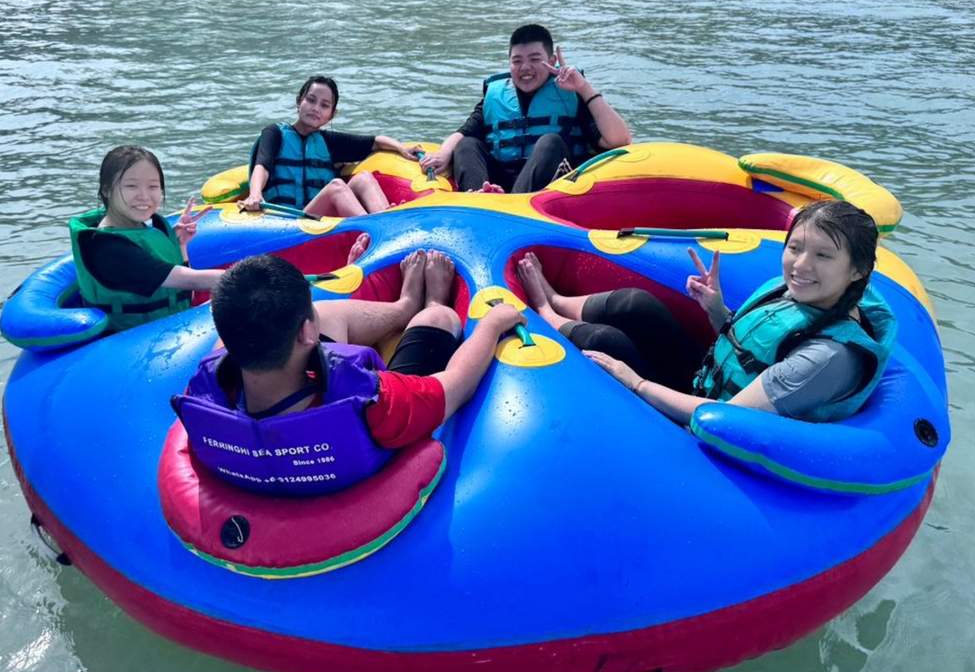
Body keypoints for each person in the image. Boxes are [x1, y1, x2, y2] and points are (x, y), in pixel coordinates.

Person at [517, 200, 896, 424]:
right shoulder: (806, 292)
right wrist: (716, 309)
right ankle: (556, 301)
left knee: (606, 343)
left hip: (708, 425)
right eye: (795, 248)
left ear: (858, 270)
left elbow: (728, 419)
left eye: (823, 255)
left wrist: (635, 383)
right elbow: (751, 349)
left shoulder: (827, 358)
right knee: (637, 304)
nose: (800, 265)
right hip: (704, 381)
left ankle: (547, 315)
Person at [176, 251, 525, 487]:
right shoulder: (371, 403)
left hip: (274, 408)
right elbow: (454, 387)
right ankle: (421, 305)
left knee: (321, 316)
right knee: (440, 317)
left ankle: (403, 305)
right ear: (307, 332)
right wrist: (492, 326)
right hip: (355, 453)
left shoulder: (209, 394)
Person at [417, 24, 632, 194]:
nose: (525, 68)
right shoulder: (496, 95)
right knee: (466, 145)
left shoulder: (572, 93)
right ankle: (478, 200)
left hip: (550, 193)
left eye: (534, 59)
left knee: (550, 142)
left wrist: (583, 88)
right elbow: (464, 132)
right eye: (517, 61)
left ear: (552, 60)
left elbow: (619, 140)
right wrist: (443, 154)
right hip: (497, 187)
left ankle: (511, 207)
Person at [68, 145, 224, 333]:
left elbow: (182, 294)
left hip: (167, 325)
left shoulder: (139, 227)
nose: (144, 196)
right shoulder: (107, 249)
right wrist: (255, 279)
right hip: (133, 343)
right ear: (107, 190)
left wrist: (180, 245)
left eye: (153, 186)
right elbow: (192, 281)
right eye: (131, 186)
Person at [242, 75, 418, 217]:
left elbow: (376, 141)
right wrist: (255, 194)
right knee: (336, 187)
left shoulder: (328, 142)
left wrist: (402, 148)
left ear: (331, 115)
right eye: (311, 100)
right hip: (286, 220)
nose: (316, 108)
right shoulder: (274, 133)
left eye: (324, 105)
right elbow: (262, 165)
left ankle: (385, 219)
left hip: (320, 219)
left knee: (363, 178)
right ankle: (378, 227)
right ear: (299, 102)